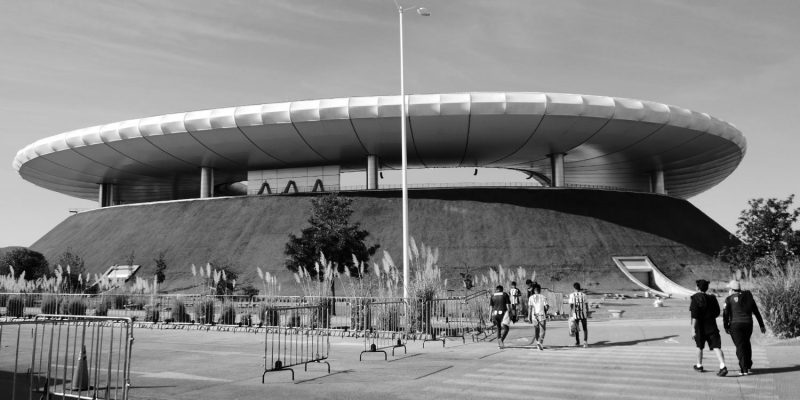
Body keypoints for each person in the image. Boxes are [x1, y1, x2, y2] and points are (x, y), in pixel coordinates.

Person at [723, 280, 766, 376]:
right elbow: (756, 311)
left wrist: (726, 326)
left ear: (732, 289)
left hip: (735, 325)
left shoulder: (729, 299)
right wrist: (761, 325)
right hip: (748, 324)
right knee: (746, 343)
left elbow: (725, 314)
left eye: (729, 289)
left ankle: (744, 368)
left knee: (740, 346)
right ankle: (748, 364)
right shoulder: (749, 297)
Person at [690, 279, 728, 377]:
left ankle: (699, 365)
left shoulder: (695, 298)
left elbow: (695, 315)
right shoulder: (712, 298)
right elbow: (717, 312)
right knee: (716, 346)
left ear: (698, 287)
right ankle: (723, 366)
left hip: (700, 327)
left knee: (699, 346)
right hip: (712, 326)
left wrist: (692, 329)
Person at [527, 282, 549, 350]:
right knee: (543, 330)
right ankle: (540, 342)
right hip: (541, 314)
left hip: (534, 315)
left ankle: (537, 343)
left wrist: (529, 316)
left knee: (536, 329)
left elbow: (530, 308)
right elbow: (546, 307)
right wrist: (547, 308)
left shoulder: (531, 297)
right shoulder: (543, 297)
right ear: (540, 290)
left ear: (534, 290)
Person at [568, 282, 589, 347]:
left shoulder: (572, 295)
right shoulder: (584, 295)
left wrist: (570, 313)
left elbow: (571, 305)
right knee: (584, 328)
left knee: (576, 328)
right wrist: (587, 312)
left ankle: (577, 342)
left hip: (575, 314)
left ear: (574, 288)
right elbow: (586, 305)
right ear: (579, 287)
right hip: (583, 313)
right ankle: (585, 342)